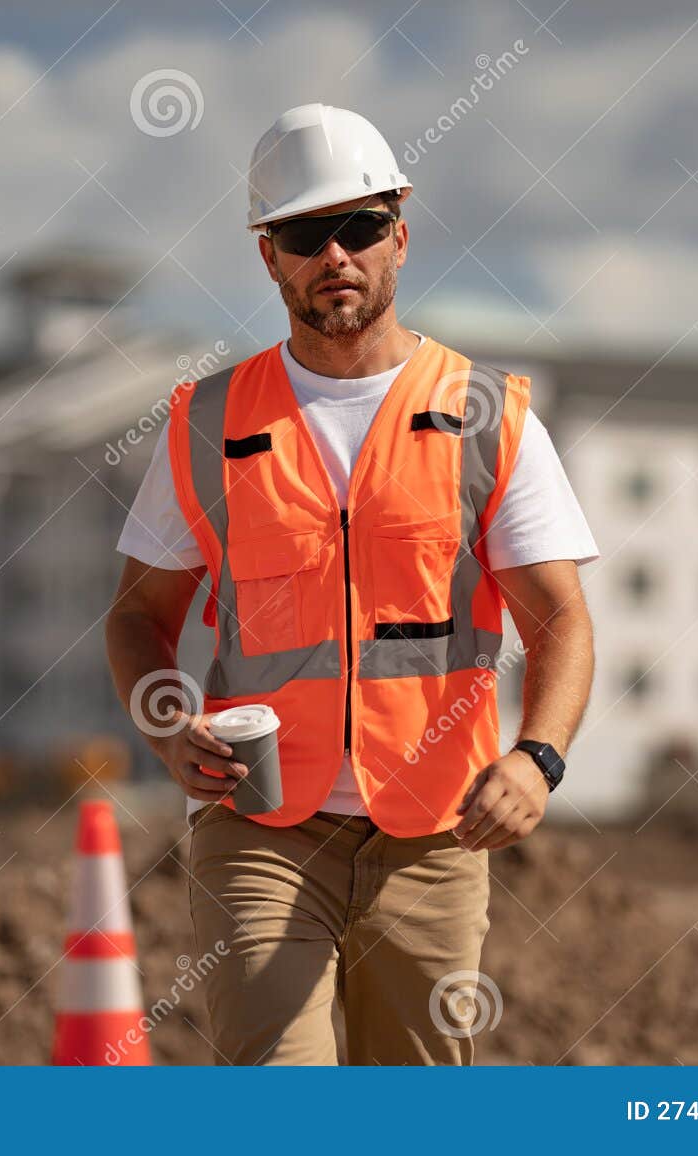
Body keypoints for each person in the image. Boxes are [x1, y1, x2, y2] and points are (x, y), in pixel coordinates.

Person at [105, 103, 598, 1064]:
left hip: (436, 837)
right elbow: (136, 617)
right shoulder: (207, 423)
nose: (336, 254)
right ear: (269, 256)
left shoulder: (487, 414)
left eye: (361, 227)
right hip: (260, 830)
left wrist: (537, 759)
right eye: (304, 233)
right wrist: (167, 725)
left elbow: (564, 621)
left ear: (400, 239)